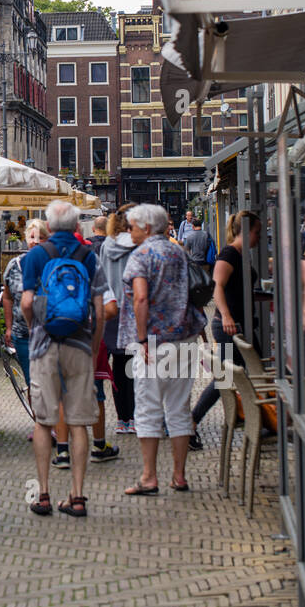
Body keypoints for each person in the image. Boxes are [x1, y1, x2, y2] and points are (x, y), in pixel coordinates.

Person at [20, 199, 105, 518]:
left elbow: (27, 302)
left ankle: (43, 494)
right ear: (77, 225)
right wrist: (94, 347)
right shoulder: (89, 256)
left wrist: (34, 331)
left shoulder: (37, 255)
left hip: (44, 345)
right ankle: (77, 496)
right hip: (80, 346)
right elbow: (98, 310)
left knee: (44, 421)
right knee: (79, 422)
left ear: (50, 226)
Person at [120, 204, 206, 494]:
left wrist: (142, 339)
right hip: (184, 337)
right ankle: (179, 476)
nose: (128, 231)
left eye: (131, 226)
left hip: (154, 344)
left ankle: (149, 477)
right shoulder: (178, 251)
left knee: (148, 408)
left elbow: (140, 298)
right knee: (179, 408)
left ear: (146, 228)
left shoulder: (141, 256)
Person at [190, 210, 261, 448]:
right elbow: (217, 286)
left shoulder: (240, 254)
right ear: (248, 231)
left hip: (239, 325)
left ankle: (259, 416)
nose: (259, 238)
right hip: (228, 326)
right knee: (225, 377)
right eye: (257, 232)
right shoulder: (229, 254)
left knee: (240, 373)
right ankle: (192, 421)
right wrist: (227, 316)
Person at [99, 204, 138, 435]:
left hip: (112, 310)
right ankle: (133, 417)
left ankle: (122, 419)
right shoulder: (138, 245)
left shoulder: (106, 245)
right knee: (134, 366)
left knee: (118, 367)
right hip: (133, 310)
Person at [3, 218, 47, 390]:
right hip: (22, 334)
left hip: (49, 333)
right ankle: (38, 416)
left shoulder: (52, 263)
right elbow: (7, 297)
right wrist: (8, 327)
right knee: (32, 382)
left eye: (41, 237)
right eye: (32, 237)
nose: (36, 241)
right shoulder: (15, 265)